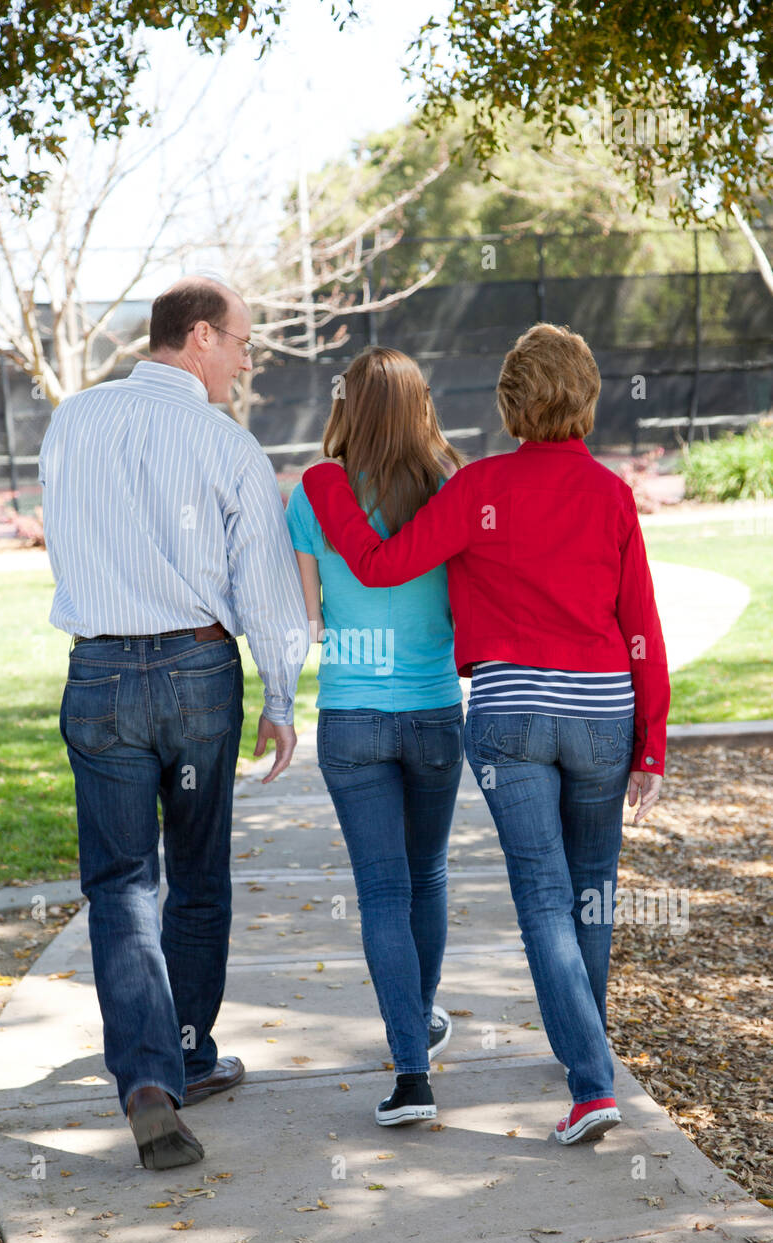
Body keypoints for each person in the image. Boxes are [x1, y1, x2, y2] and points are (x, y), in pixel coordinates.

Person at [301, 323, 670, 1145]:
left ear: (509, 405)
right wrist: (652, 742)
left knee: (545, 895)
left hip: (511, 718)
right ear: (588, 398)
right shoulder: (610, 493)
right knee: (592, 889)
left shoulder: (479, 490)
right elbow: (640, 622)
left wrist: (329, 488)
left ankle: (590, 1081)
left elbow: (381, 564)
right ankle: (587, 1056)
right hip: (606, 711)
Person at [39, 276, 308, 1170]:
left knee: (120, 884)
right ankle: (187, 1056)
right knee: (195, 876)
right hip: (197, 673)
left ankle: (147, 1081)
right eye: (239, 342)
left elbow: (67, 533)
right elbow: (266, 588)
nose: (243, 359)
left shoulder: (72, 421)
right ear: (198, 338)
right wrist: (279, 697)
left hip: (100, 672)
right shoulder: (226, 445)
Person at [286, 347, 466, 1126]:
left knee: (384, 893)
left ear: (347, 406)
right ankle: (415, 1025)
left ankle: (411, 1073)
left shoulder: (312, 494)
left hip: (353, 712)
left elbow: (310, 619)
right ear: (422, 405)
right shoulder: (453, 489)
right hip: (433, 707)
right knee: (424, 876)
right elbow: (466, 607)